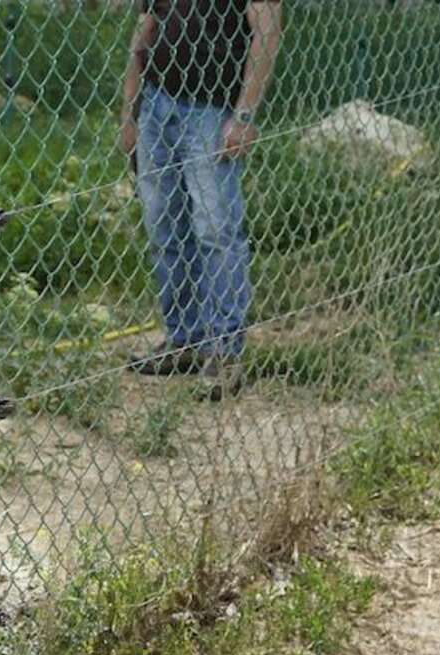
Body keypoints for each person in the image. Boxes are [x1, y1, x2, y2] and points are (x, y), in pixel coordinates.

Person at [120, 0, 282, 400]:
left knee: (215, 229)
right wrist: (129, 115)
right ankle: (185, 339)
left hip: (211, 111)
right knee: (164, 228)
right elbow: (143, 35)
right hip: (157, 104)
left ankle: (224, 350)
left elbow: (267, 31)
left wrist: (243, 117)